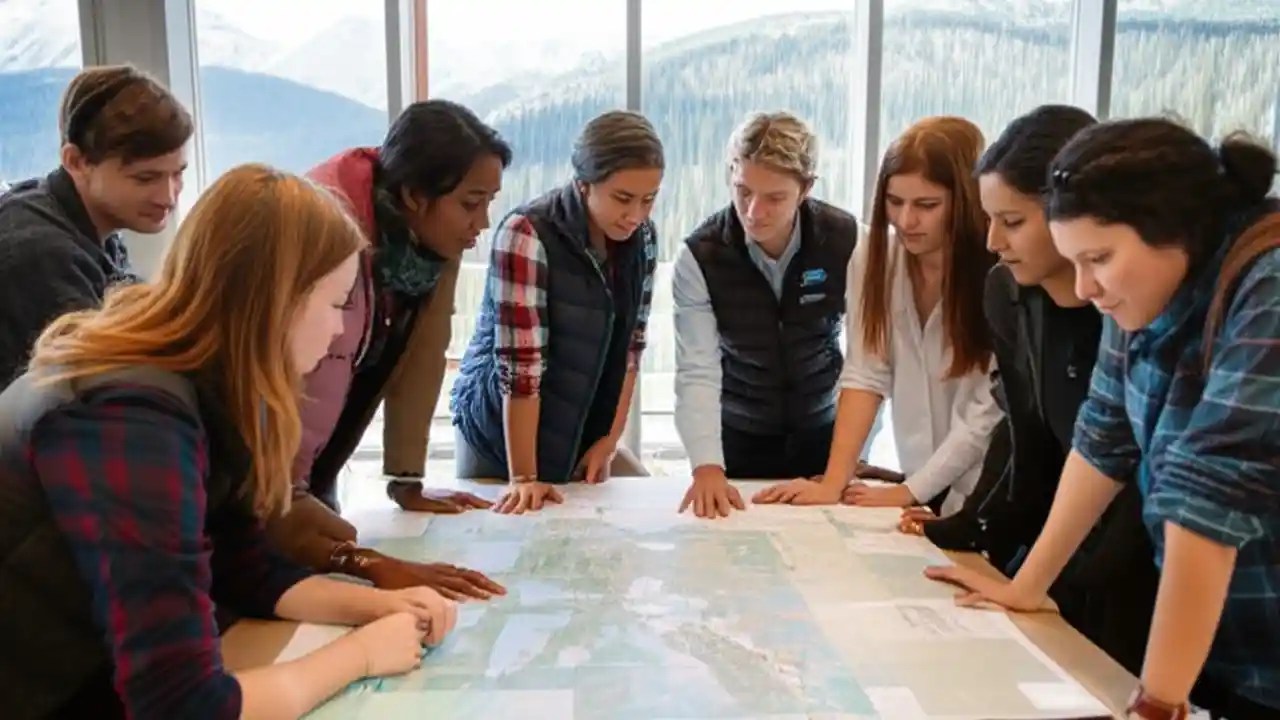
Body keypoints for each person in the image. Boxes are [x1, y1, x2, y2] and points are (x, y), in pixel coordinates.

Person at [0, 164, 459, 720]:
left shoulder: (195, 384)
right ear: (277, 300)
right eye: (336, 303)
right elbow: (181, 704)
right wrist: (360, 655)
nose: (341, 330)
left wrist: (376, 605)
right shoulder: (132, 417)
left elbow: (243, 568)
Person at [926, 119, 1280, 720]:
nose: (1085, 287)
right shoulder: (1139, 291)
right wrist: (1027, 587)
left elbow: (1210, 495)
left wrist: (1157, 706)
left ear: (1175, 230)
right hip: (1217, 645)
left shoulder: (1266, 287)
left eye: (1099, 259)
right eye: (1075, 261)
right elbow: (1103, 433)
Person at [901, 105, 1157, 674]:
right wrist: (969, 529)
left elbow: (1143, 472)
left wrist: (1057, 576)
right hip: (1071, 551)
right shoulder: (1007, 294)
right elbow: (1027, 440)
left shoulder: (1135, 306)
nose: (992, 241)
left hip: (1148, 568)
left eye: (1012, 222)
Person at [265, 100, 512, 601]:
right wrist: (291, 502)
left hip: (301, 471)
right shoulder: (330, 240)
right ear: (415, 196)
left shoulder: (428, 241)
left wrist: (406, 476)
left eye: (489, 201)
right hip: (265, 471)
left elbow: (421, 355)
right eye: (470, 203)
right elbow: (311, 380)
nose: (483, 222)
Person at [753, 115, 1001, 515]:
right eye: (894, 202)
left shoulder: (997, 274)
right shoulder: (875, 258)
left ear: (966, 200)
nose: (906, 220)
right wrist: (834, 482)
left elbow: (985, 411)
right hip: (921, 476)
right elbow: (866, 373)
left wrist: (911, 491)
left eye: (926, 205)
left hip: (989, 490)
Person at [451, 110, 662, 514]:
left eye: (648, 199)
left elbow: (632, 346)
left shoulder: (643, 237)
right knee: (509, 542)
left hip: (581, 425)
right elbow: (521, 370)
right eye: (622, 198)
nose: (636, 215)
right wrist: (524, 478)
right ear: (584, 185)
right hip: (500, 434)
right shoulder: (526, 234)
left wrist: (610, 437)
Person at [673, 112, 858, 518]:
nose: (754, 212)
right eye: (743, 192)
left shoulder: (846, 241)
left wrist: (845, 464)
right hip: (736, 440)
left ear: (805, 188)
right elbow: (697, 369)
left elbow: (869, 364)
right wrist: (706, 465)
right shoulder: (700, 256)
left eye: (774, 198)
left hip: (824, 438)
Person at [0, 64, 191, 388]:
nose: (169, 196)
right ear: (76, 161)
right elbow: (95, 387)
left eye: (178, 174)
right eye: (146, 178)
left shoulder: (91, 223)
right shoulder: (41, 255)